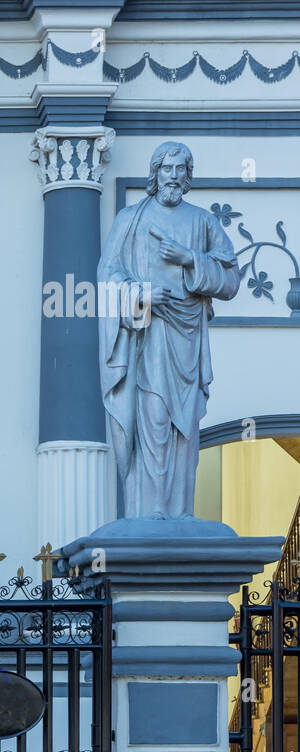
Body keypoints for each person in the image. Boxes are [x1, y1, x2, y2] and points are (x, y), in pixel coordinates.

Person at [97, 142, 240, 518]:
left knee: (186, 429)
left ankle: (180, 513)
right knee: (154, 418)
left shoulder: (204, 221)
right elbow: (107, 278)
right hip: (148, 337)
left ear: (188, 175)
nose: (174, 176)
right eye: (167, 168)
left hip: (188, 339)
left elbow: (230, 280)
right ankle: (149, 512)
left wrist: (189, 258)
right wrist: (142, 294)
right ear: (155, 173)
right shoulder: (131, 219)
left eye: (181, 169)